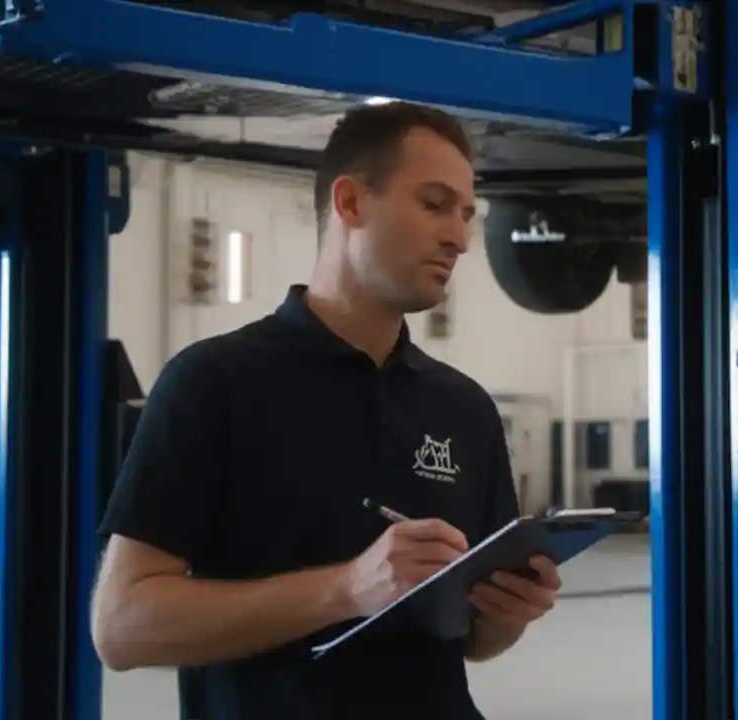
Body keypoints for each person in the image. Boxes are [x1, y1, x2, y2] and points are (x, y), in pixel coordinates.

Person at [91, 101, 561, 719]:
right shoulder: (213, 383)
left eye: (467, 214)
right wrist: (346, 588)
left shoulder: (464, 408)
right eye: (434, 204)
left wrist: (509, 612)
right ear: (350, 203)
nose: (460, 237)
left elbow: (473, 640)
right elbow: (122, 627)